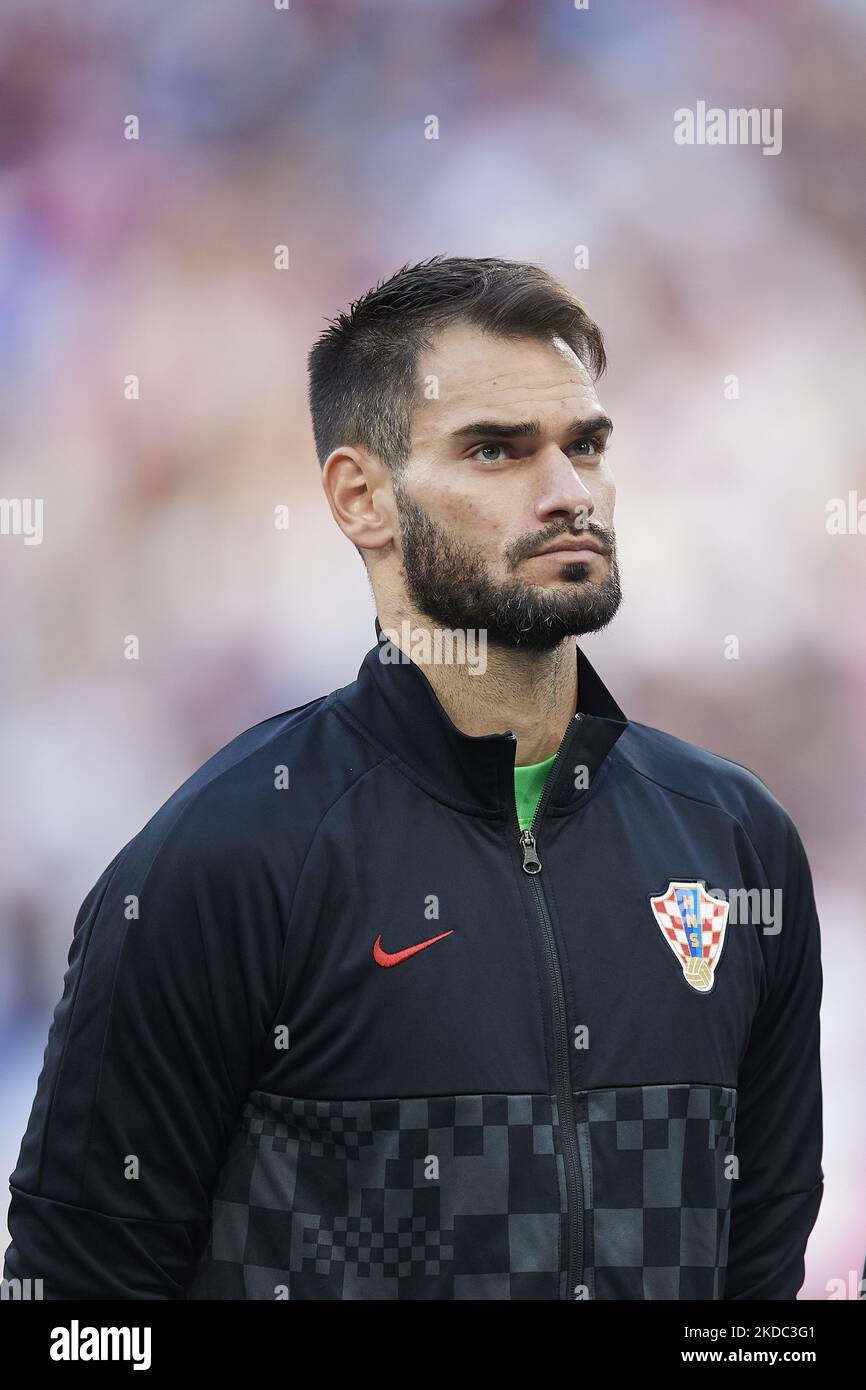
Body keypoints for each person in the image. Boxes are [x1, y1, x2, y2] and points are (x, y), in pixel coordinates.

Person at [3, 256, 823, 1300]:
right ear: (362, 498)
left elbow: (755, 1297)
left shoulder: (734, 840)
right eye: (495, 450)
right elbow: (78, 1305)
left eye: (584, 445)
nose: (568, 492)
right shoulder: (225, 857)